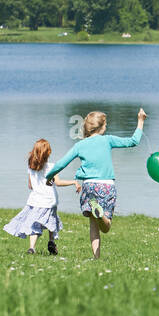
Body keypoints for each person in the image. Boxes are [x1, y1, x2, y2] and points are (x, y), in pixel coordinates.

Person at [46, 108, 146, 259]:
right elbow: (133, 141)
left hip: (89, 186)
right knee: (105, 227)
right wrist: (140, 121)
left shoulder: (80, 145)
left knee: (93, 225)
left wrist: (49, 177)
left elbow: (61, 164)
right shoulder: (108, 140)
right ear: (102, 127)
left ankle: (96, 258)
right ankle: (102, 217)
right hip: (106, 185)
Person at [4, 138, 76, 255]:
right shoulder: (52, 166)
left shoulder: (31, 167)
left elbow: (30, 186)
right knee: (51, 220)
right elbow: (58, 183)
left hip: (35, 200)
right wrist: (73, 182)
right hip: (49, 200)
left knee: (35, 224)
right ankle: (51, 241)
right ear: (48, 153)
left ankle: (32, 247)